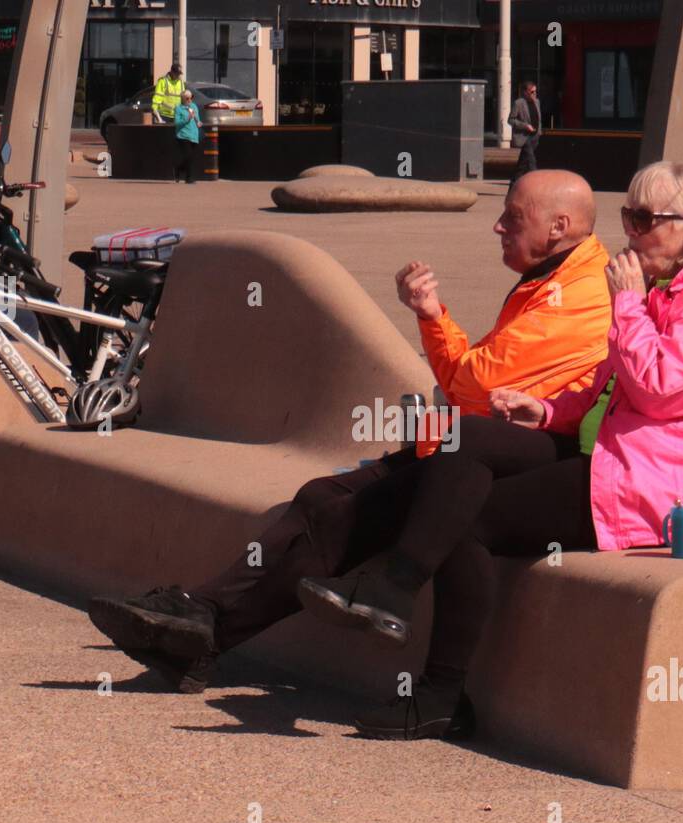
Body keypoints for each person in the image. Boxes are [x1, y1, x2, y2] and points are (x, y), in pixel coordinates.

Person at [294, 160, 683, 740]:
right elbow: (609, 382)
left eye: (646, 219)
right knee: (465, 440)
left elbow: (660, 387)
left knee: (469, 519)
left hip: (665, 494)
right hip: (619, 463)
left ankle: (425, 663)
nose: (630, 232)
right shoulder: (666, 291)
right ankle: (396, 605)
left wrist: (625, 306)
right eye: (628, 215)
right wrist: (546, 411)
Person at [87, 169, 615, 693]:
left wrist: (434, 321)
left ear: (558, 226)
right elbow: (470, 384)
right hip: (471, 445)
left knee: (343, 517)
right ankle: (200, 620)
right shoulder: (551, 278)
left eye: (512, 217)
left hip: (512, 459)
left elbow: (475, 384)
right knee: (319, 496)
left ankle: (202, 630)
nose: (498, 226)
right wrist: (433, 316)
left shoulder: (580, 293)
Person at [508, 81, 541, 184]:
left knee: (522, 164)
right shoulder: (518, 103)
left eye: (535, 91)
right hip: (524, 137)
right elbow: (511, 120)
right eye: (532, 92)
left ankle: (513, 183)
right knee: (531, 161)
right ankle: (536, 183)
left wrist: (539, 131)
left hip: (535, 136)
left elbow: (539, 118)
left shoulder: (537, 102)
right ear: (526, 92)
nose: (534, 94)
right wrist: (525, 126)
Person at [172, 89, 200, 183]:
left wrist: (198, 122)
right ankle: (189, 179)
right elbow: (176, 123)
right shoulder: (178, 108)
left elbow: (197, 119)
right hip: (183, 135)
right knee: (188, 156)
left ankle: (178, 169)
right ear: (183, 99)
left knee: (190, 158)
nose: (190, 100)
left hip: (194, 135)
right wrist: (187, 119)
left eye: (191, 98)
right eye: (187, 98)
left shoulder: (194, 106)